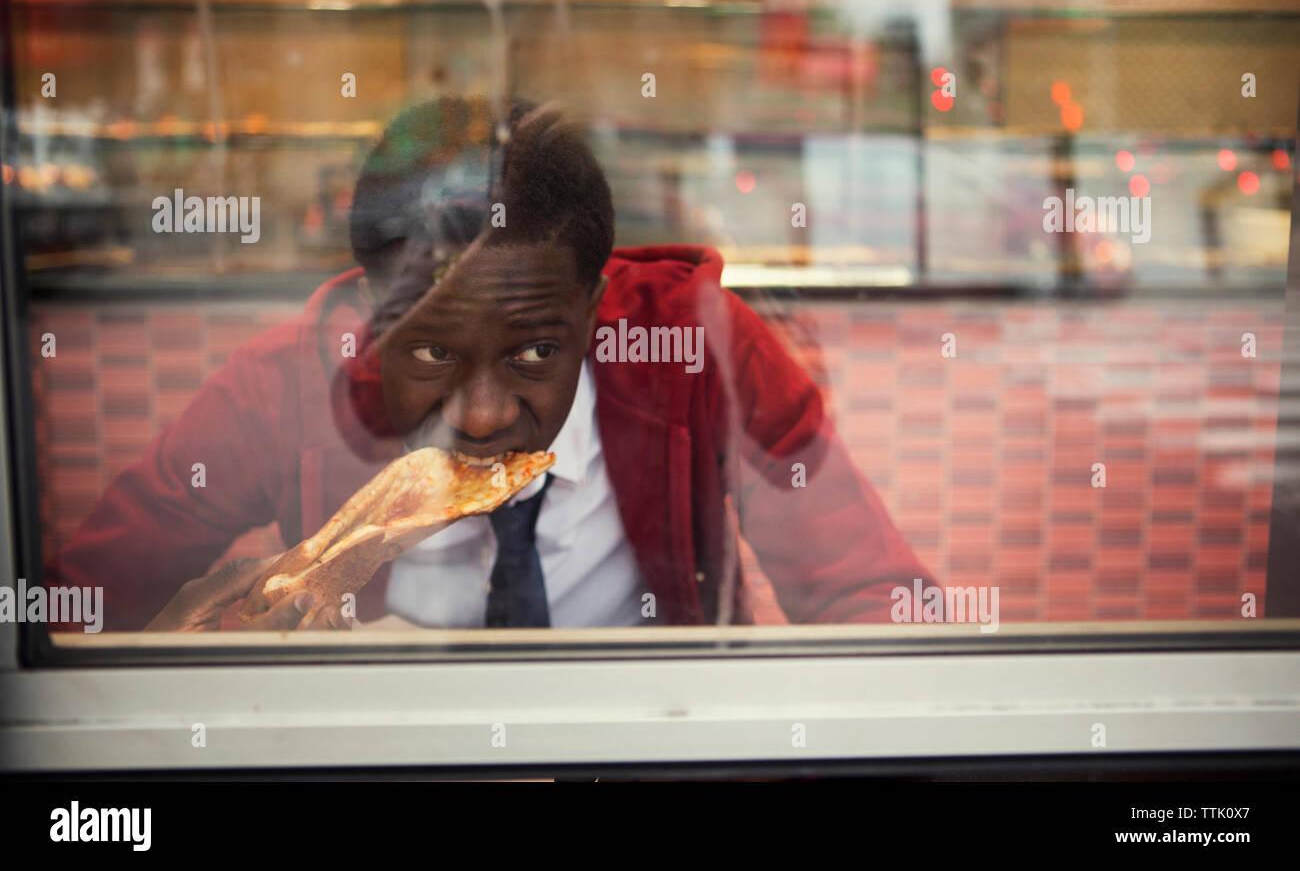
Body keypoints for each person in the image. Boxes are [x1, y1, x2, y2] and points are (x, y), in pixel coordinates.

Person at [47, 96, 936, 633]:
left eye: (536, 352)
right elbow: (76, 607)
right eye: (429, 349)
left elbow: (876, 599)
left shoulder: (697, 347)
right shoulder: (283, 385)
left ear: (595, 310)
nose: (478, 416)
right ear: (368, 314)